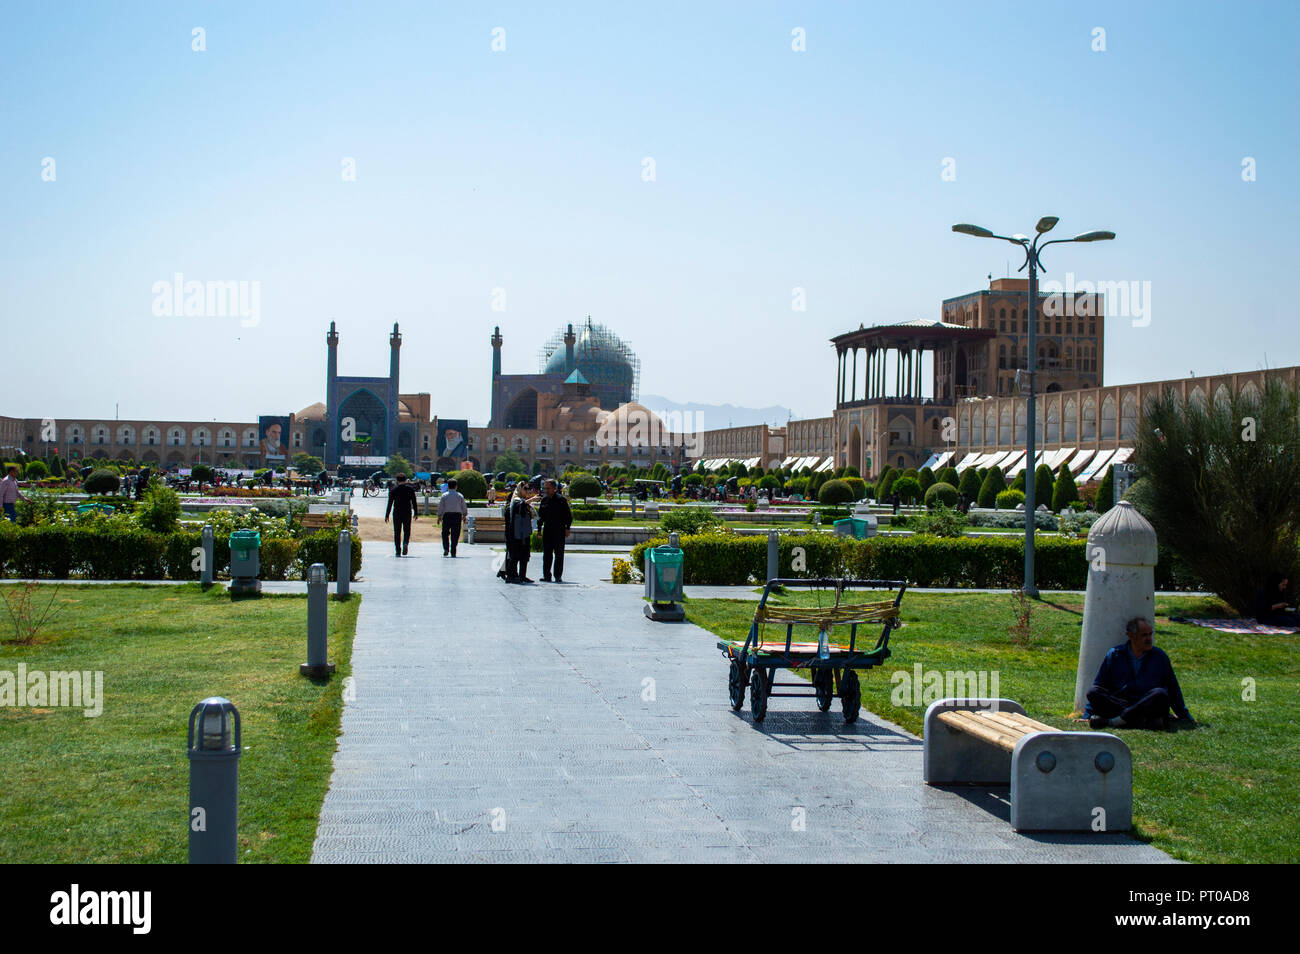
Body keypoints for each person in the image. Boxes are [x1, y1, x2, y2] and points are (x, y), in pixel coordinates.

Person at [1086, 617, 1194, 730]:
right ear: (1131, 636)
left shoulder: (1159, 656)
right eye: (1144, 635)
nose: (1148, 639)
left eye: (1150, 634)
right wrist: (1087, 714)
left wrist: (1184, 715)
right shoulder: (1115, 655)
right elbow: (1100, 684)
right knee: (1093, 692)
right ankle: (1141, 722)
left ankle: (1116, 721)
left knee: (1160, 693)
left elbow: (1173, 688)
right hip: (1122, 703)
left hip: (1147, 703)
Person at [537, 478, 572, 582]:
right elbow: (541, 517)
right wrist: (539, 530)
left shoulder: (561, 500)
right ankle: (546, 576)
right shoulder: (544, 500)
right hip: (548, 530)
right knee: (547, 554)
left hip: (559, 530)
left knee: (559, 554)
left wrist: (567, 528)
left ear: (554, 488)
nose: (546, 490)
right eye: (545, 488)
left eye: (548, 488)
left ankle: (558, 576)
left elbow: (568, 515)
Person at [502, 484, 536, 583]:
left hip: (524, 532)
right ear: (520, 489)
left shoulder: (522, 501)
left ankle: (522, 576)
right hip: (516, 533)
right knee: (515, 555)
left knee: (525, 555)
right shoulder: (516, 501)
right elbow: (520, 505)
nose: (527, 491)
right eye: (525, 488)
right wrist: (532, 499)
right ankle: (510, 575)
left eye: (528, 488)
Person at [384, 473, 419, 556]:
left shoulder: (393, 490)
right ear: (405, 480)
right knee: (407, 530)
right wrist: (416, 513)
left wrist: (387, 515)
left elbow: (390, 503)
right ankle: (405, 543)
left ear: (397, 480)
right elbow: (414, 502)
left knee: (397, 531)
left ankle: (398, 550)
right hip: (407, 512)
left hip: (397, 512)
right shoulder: (410, 489)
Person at [437, 477, 468, 557]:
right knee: (455, 534)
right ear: (456, 486)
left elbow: (441, 506)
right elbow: (464, 506)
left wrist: (439, 516)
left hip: (447, 516)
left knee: (445, 533)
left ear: (448, 486)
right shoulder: (460, 496)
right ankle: (453, 550)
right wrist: (464, 515)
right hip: (457, 516)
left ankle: (446, 548)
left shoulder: (444, 495)